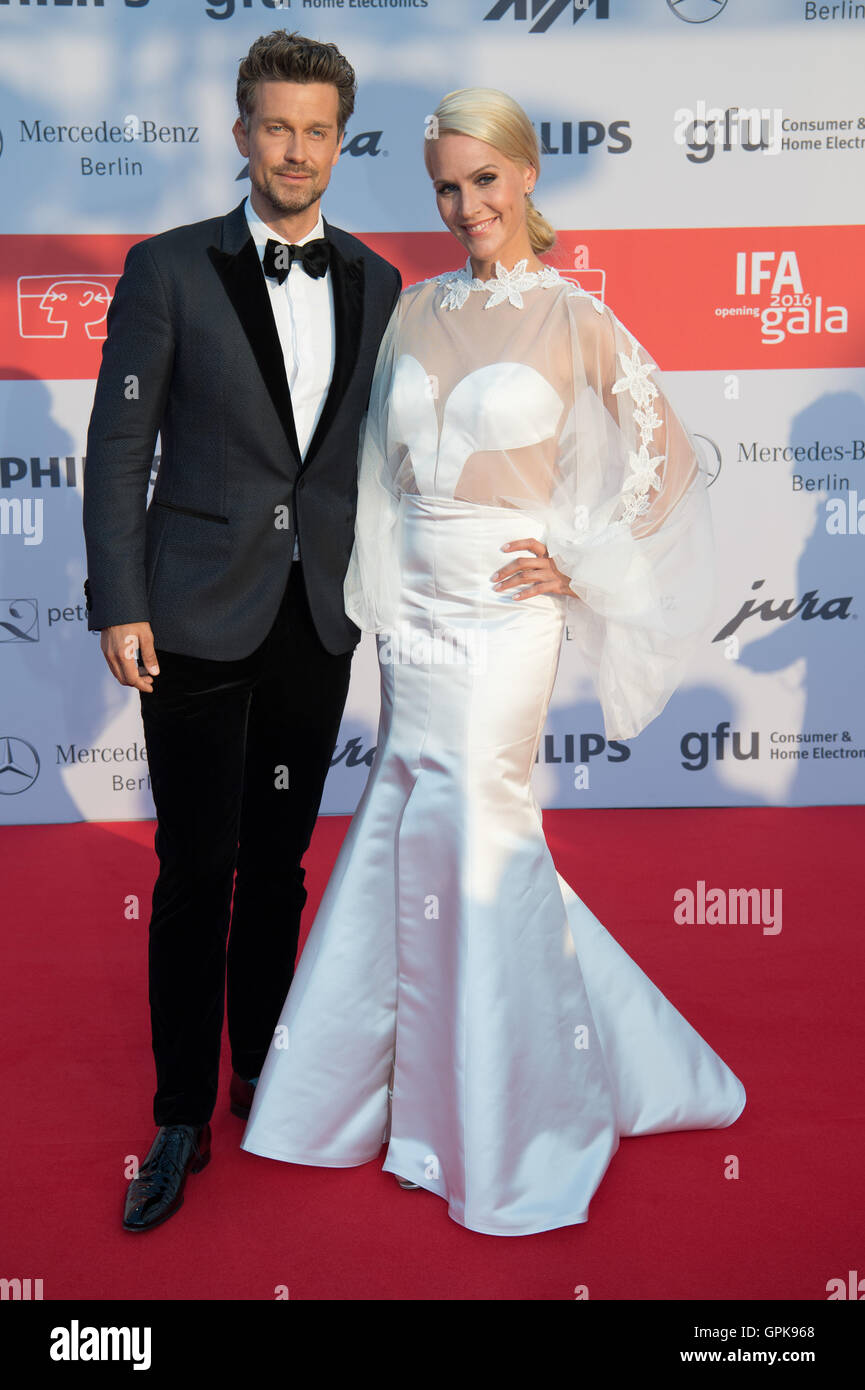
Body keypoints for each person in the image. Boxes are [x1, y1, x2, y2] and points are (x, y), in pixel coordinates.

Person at [240, 87, 746, 1236]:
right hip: (415, 612)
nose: (466, 204)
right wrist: (376, 590)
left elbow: (664, 460)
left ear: (524, 175)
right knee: (413, 818)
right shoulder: (414, 312)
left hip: (507, 612)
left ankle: (511, 1118)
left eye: (483, 180)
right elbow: (381, 472)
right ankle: (373, 1095)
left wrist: (578, 557)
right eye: (446, 187)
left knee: (483, 823)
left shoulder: (575, 317)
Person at [81, 29, 401, 1232]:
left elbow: (377, 457)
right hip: (196, 618)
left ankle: (265, 1070)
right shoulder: (168, 268)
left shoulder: (377, 280)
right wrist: (121, 598)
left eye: (317, 130)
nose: (296, 150)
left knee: (278, 865)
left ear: (340, 141)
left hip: (316, 617)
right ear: (241, 134)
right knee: (194, 867)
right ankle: (178, 1113)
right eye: (277, 127)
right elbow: (121, 447)